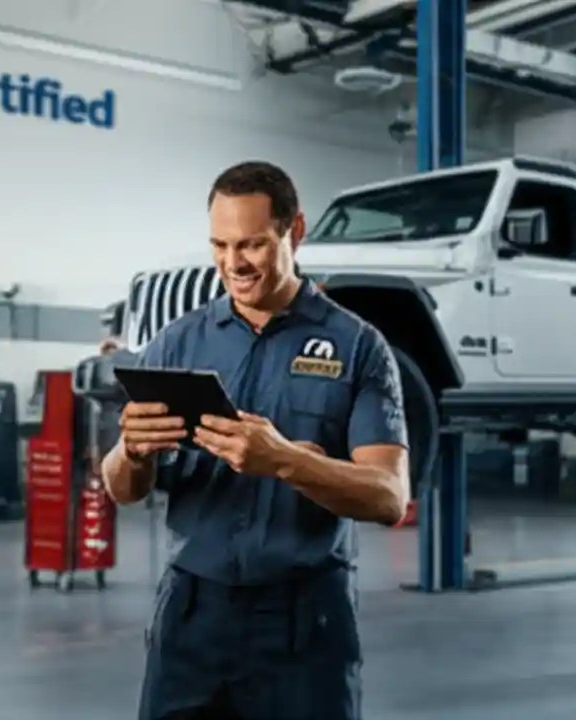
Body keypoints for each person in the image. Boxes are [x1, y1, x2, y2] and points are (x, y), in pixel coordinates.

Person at [100, 160, 411, 720]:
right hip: (192, 613)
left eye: (252, 245)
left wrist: (287, 462)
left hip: (304, 619)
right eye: (219, 245)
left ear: (295, 232)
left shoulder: (359, 347)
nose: (232, 263)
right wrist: (131, 452)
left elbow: (389, 496)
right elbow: (123, 488)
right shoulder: (176, 343)